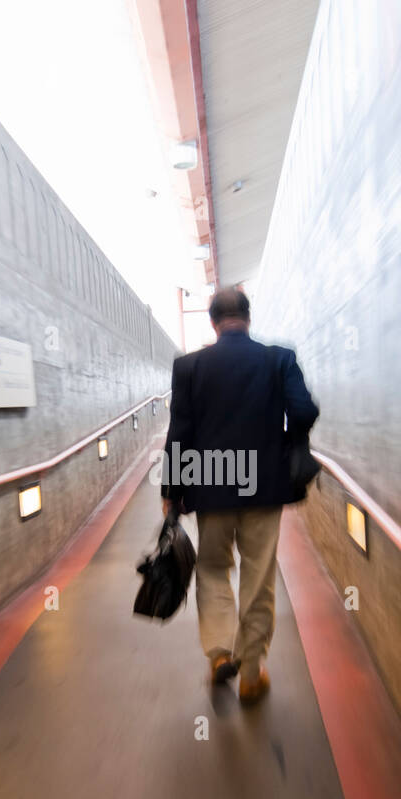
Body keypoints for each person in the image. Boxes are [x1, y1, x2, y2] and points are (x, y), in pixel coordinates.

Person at [160, 286, 319, 703]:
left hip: (209, 486)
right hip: (264, 488)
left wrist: (172, 491)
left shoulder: (189, 367)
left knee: (212, 569)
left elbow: (179, 433)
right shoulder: (277, 359)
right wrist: (286, 443)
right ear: (247, 318)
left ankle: (218, 654)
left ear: (212, 323)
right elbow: (303, 410)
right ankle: (252, 669)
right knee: (258, 576)